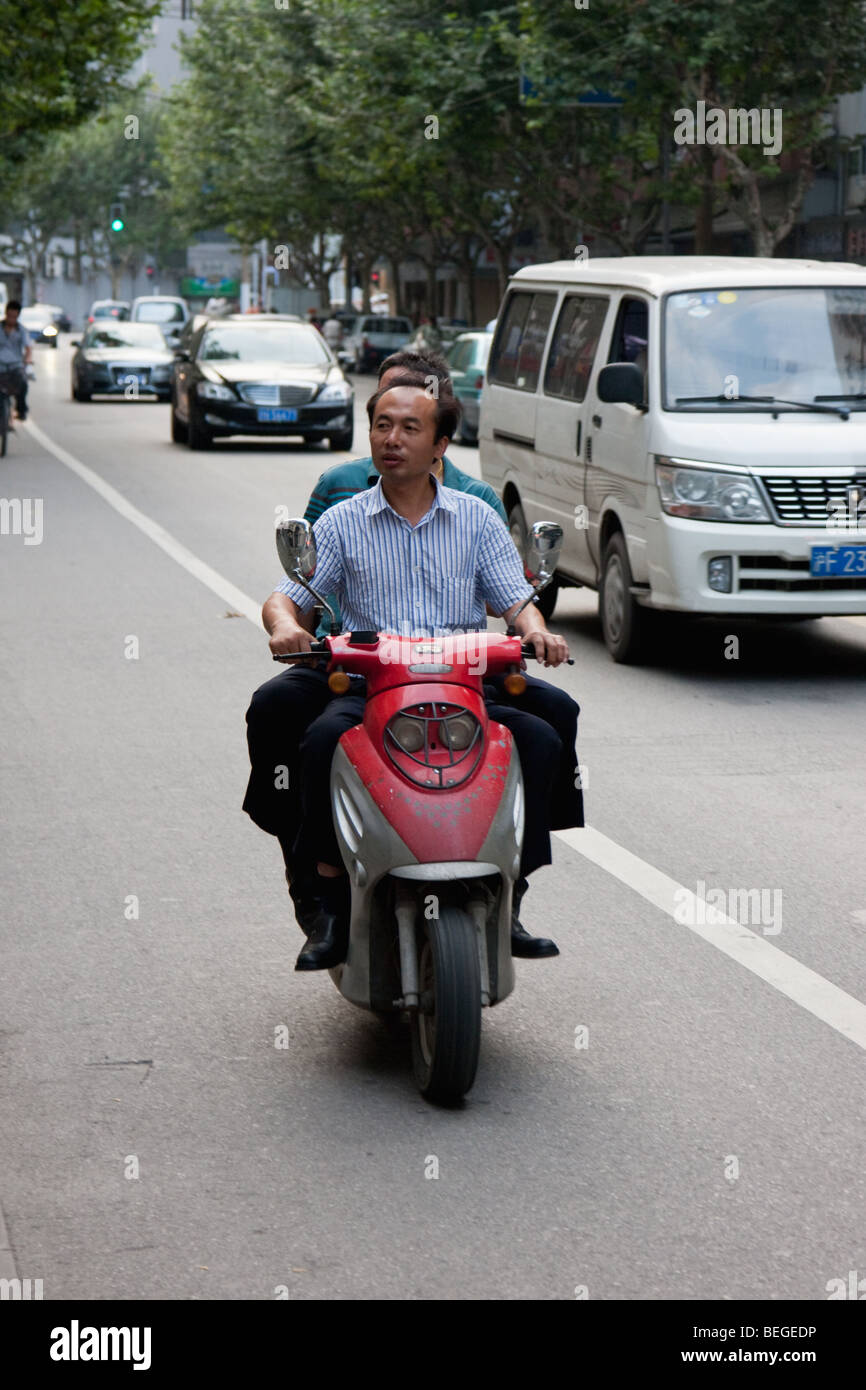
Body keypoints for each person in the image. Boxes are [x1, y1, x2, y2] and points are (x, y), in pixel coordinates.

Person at [243, 352, 584, 943]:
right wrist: (284, 629)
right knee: (304, 726)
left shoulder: (477, 519)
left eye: (409, 428)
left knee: (550, 725)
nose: (391, 439)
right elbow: (285, 599)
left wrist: (535, 631)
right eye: (381, 426)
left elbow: (516, 601)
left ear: (440, 445)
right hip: (370, 683)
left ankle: (513, 889)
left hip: (463, 680)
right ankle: (321, 888)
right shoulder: (344, 521)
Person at [0, 301, 32, 421]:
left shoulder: (22, 330)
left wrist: (28, 359)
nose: (11, 319)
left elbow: (28, 348)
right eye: (9, 316)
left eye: (14, 317)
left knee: (23, 383)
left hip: (15, 366)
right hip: (0, 367)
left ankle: (21, 409)